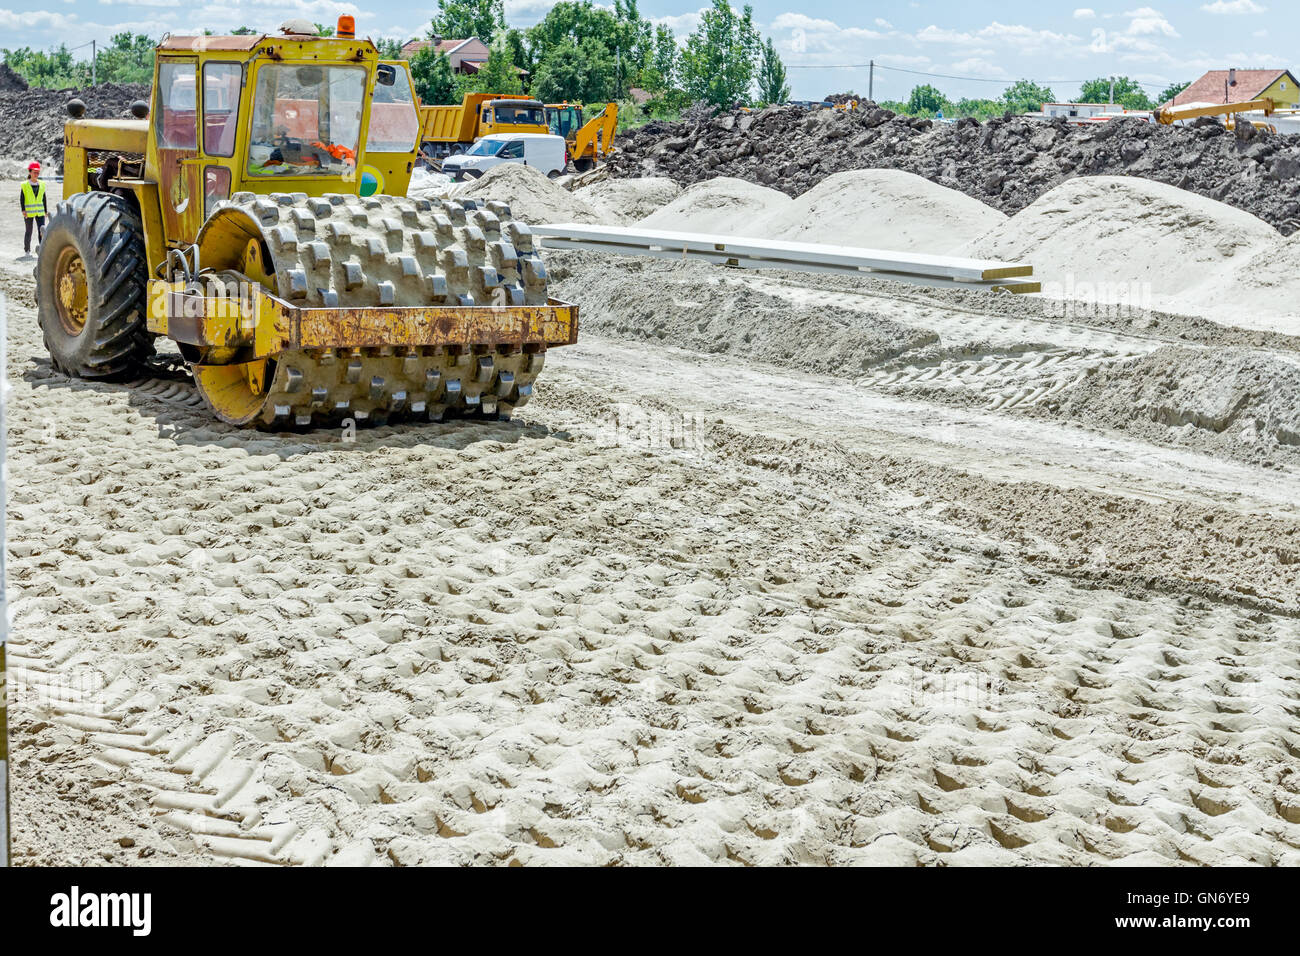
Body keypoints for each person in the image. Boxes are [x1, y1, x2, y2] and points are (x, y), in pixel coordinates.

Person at [21, 161, 47, 257]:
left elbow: (44, 198)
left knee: (42, 230)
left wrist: (45, 211)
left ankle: (41, 249)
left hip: (40, 212)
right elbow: (22, 198)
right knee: (29, 231)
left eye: (38, 172)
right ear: (30, 172)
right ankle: (27, 251)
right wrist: (23, 210)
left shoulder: (42, 184)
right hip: (28, 212)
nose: (36, 174)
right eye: (34, 172)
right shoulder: (25, 185)